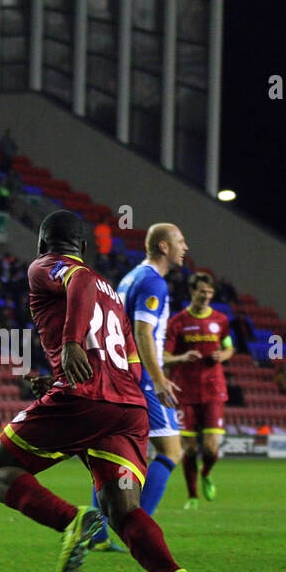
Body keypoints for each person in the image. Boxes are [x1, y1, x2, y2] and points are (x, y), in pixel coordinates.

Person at [0, 210, 196, 572]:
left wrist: (73, 347)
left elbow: (76, 281)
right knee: (122, 508)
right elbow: (130, 357)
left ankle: (72, 520)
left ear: (44, 245)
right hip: (127, 405)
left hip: (86, 395)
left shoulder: (49, 267)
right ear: (82, 245)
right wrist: (69, 378)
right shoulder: (110, 291)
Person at [86, 222, 189, 550]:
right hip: (141, 379)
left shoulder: (131, 277)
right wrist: (158, 380)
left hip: (117, 374)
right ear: (163, 246)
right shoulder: (152, 282)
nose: (185, 247)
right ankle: (136, 531)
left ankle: (96, 530)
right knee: (171, 451)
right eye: (180, 241)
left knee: (116, 455)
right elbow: (144, 333)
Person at [164, 272, 234, 510]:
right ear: (192, 292)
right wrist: (182, 357)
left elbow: (228, 347)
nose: (206, 296)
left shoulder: (221, 320)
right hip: (185, 392)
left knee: (211, 448)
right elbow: (164, 357)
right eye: (202, 291)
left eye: (209, 292)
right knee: (190, 449)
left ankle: (206, 472)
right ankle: (192, 496)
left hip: (214, 389)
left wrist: (222, 356)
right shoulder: (178, 322)